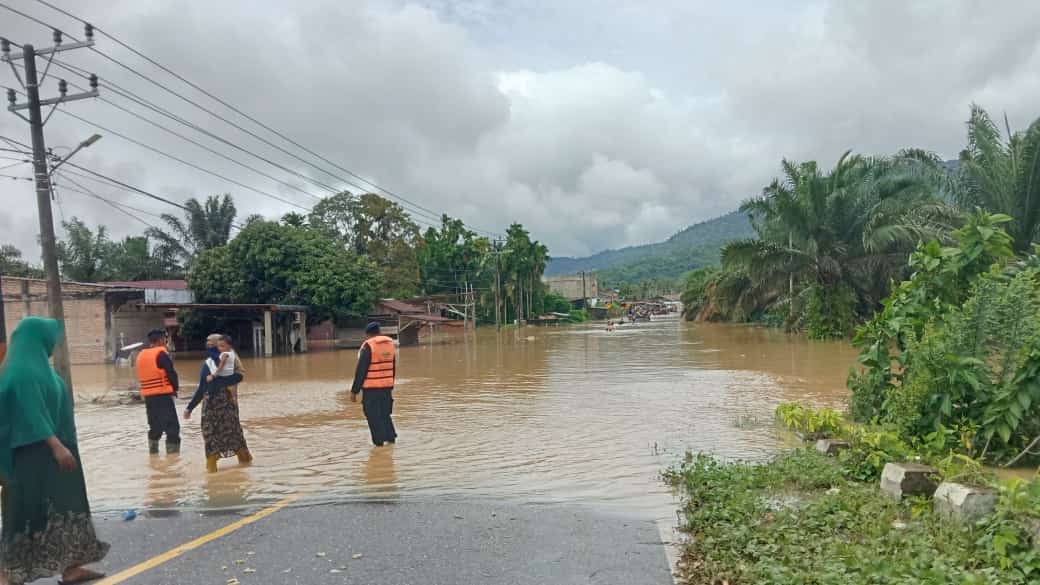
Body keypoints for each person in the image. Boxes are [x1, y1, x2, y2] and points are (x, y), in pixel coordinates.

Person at [0, 317, 109, 585]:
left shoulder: (43, 371)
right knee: (23, 511)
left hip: (57, 454)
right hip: (30, 455)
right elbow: (31, 412)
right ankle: (7, 574)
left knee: (67, 506)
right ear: (35, 338)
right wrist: (56, 446)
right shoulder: (19, 372)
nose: (53, 343)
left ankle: (72, 567)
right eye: (49, 338)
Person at [184, 335, 252, 473]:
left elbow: (203, 388)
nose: (207, 345)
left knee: (213, 436)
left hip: (216, 406)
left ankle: (212, 474)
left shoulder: (217, 363)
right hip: (227, 404)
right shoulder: (226, 362)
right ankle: (245, 466)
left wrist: (190, 407)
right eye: (207, 342)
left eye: (210, 343)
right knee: (233, 436)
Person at [350, 323, 397, 446]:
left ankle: (379, 444)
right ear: (379, 331)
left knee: (373, 416)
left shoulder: (369, 346)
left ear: (368, 334)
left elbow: (361, 370)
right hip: (386, 387)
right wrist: (391, 385)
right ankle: (391, 439)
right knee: (385, 414)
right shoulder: (390, 345)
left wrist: (354, 391)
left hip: (371, 389)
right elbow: (392, 368)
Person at [136, 329, 180, 455]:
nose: (166, 342)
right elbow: (171, 373)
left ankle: (153, 454)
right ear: (161, 340)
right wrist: (175, 389)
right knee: (172, 428)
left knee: (155, 427)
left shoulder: (141, 355)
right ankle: (173, 458)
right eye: (165, 340)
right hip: (162, 394)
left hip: (149, 397)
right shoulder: (161, 354)